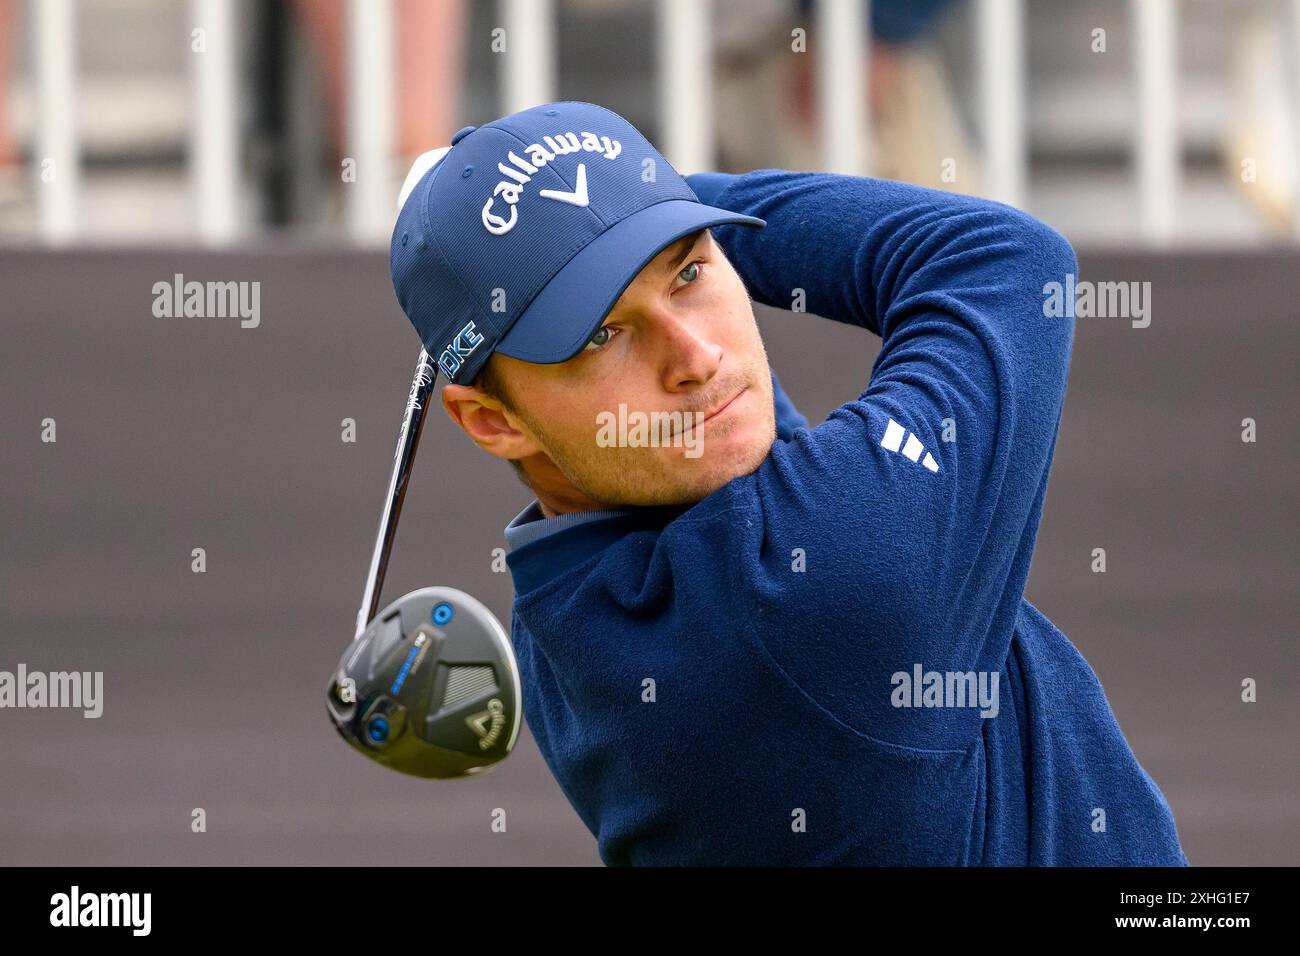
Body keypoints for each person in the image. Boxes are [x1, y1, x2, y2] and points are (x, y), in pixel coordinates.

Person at [389, 100, 1188, 866]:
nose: (697, 357)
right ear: (494, 422)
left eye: (688, 272)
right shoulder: (814, 584)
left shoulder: (562, 603)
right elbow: (1004, 260)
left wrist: (610, 211)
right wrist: (670, 198)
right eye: (602, 334)